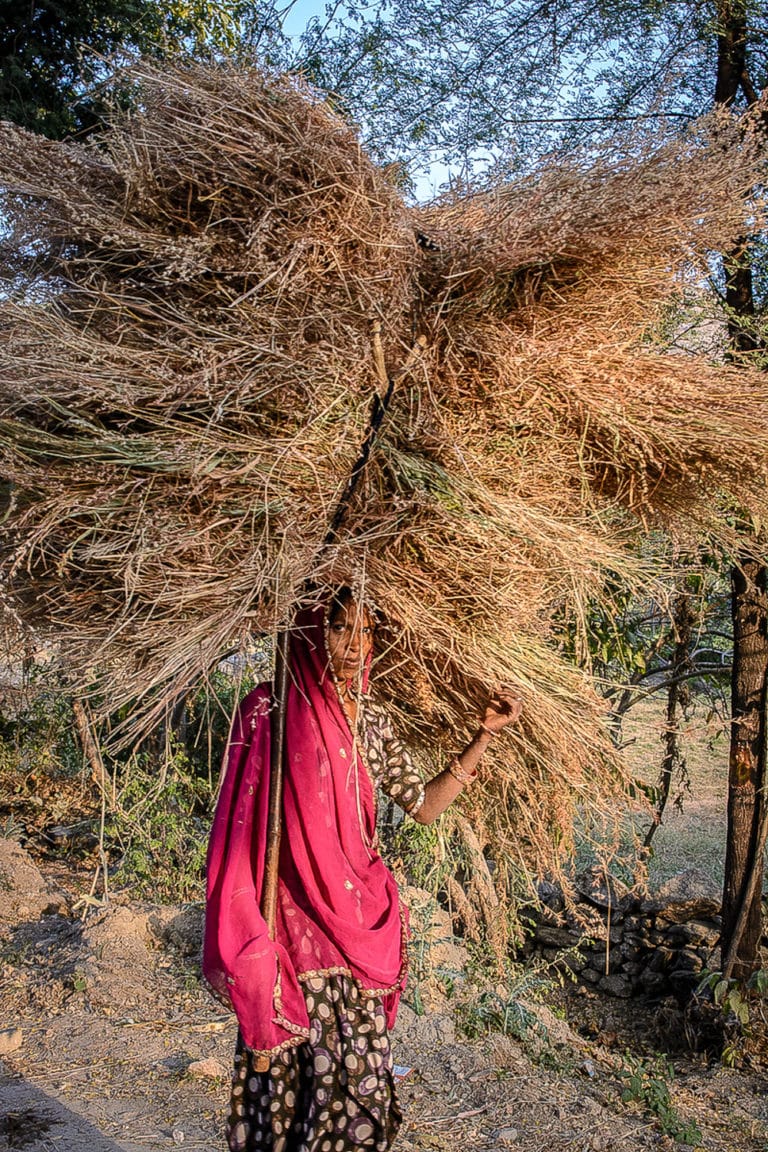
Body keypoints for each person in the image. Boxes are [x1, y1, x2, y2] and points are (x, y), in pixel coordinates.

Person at [203, 589, 522, 1152]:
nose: (355, 643)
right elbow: (240, 822)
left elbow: (422, 806)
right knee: (293, 1089)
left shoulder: (368, 718)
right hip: (292, 931)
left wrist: (484, 736)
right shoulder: (268, 710)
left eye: (366, 630)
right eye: (340, 626)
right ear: (308, 631)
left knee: (362, 1095)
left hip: (358, 920)